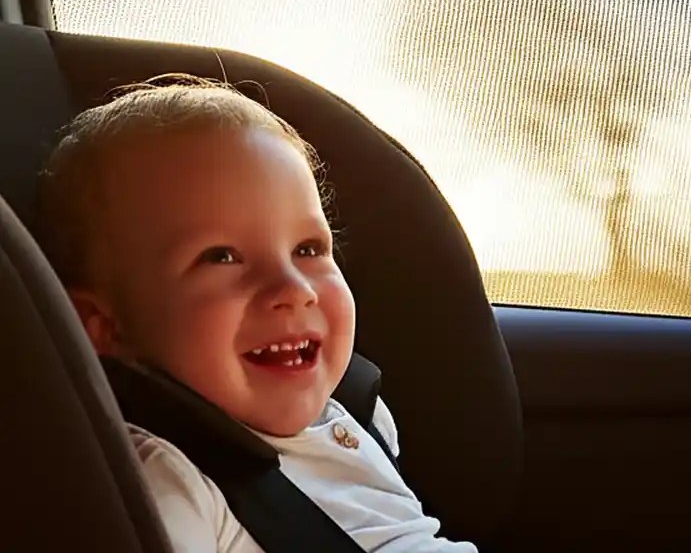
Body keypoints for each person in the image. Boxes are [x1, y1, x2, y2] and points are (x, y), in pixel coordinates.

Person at [36, 74, 476, 553]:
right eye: (222, 257)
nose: (294, 289)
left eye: (308, 248)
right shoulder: (167, 485)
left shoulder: (354, 411)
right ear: (104, 326)